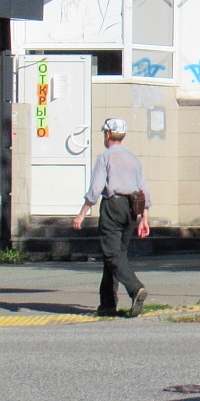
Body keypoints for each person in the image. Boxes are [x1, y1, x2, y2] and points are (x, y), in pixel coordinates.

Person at [72, 117, 150, 318]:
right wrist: (144, 218)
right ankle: (107, 303)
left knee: (112, 255)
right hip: (132, 208)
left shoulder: (105, 157)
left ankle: (135, 288)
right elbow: (143, 188)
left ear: (107, 134)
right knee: (117, 254)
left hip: (113, 206)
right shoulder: (133, 159)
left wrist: (82, 214)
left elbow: (96, 189)